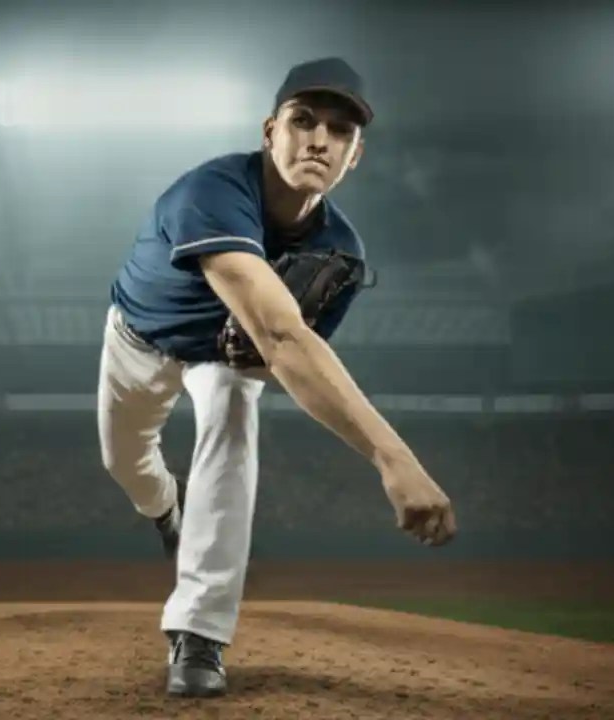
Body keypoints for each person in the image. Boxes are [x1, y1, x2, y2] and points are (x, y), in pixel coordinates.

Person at [96, 57, 457, 699]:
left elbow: (291, 359)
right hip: (136, 341)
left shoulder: (340, 251)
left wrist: (265, 358)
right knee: (126, 462)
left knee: (237, 411)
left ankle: (199, 633)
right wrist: (393, 458)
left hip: (219, 358)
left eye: (340, 130)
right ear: (270, 130)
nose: (320, 138)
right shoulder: (209, 192)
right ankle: (166, 510)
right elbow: (285, 335)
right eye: (304, 120)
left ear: (356, 154)